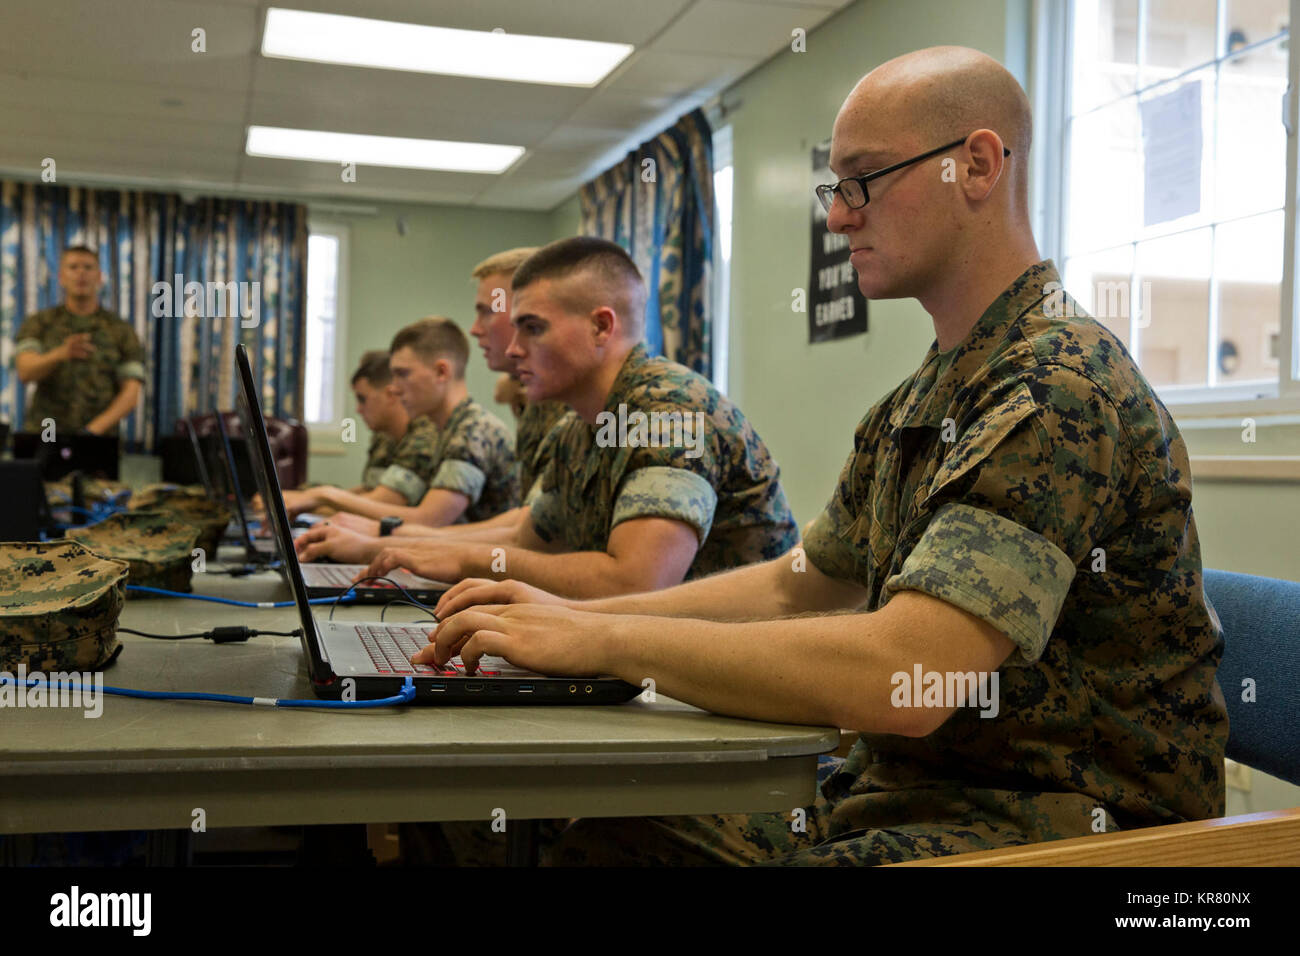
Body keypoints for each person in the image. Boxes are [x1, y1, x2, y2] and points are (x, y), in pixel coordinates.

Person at [417, 47, 1229, 866]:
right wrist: (569, 620)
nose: (838, 218)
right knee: (611, 833)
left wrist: (605, 643)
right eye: (834, 189)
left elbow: (911, 675)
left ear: (977, 166)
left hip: (1064, 829)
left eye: (864, 181)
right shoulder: (926, 396)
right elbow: (797, 581)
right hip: (915, 789)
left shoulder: (1056, 385)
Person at [294, 236, 799, 598]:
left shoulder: (668, 409)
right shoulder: (575, 429)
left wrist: (460, 558)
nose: (512, 350)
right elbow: (527, 540)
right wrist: (394, 545)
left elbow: (635, 582)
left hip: (748, 692)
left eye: (532, 328)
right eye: (513, 328)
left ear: (602, 326)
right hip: (662, 664)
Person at [279, 318, 516, 526]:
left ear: (441, 373)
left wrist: (325, 496)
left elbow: (428, 521)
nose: (393, 387)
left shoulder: (472, 430)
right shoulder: (446, 429)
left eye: (403, 374)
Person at [14, 246, 145, 436]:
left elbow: (131, 393)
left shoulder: (120, 329)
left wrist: (91, 432)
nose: (81, 273)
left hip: (100, 438)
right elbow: (25, 372)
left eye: (88, 267)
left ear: (99, 277)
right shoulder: (41, 323)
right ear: (61, 277)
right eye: (73, 267)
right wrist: (59, 354)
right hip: (46, 433)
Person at [347, 350, 430, 494]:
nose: (358, 410)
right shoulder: (384, 437)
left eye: (362, 399)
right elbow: (370, 490)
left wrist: (319, 498)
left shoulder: (425, 435)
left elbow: (385, 504)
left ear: (390, 395)